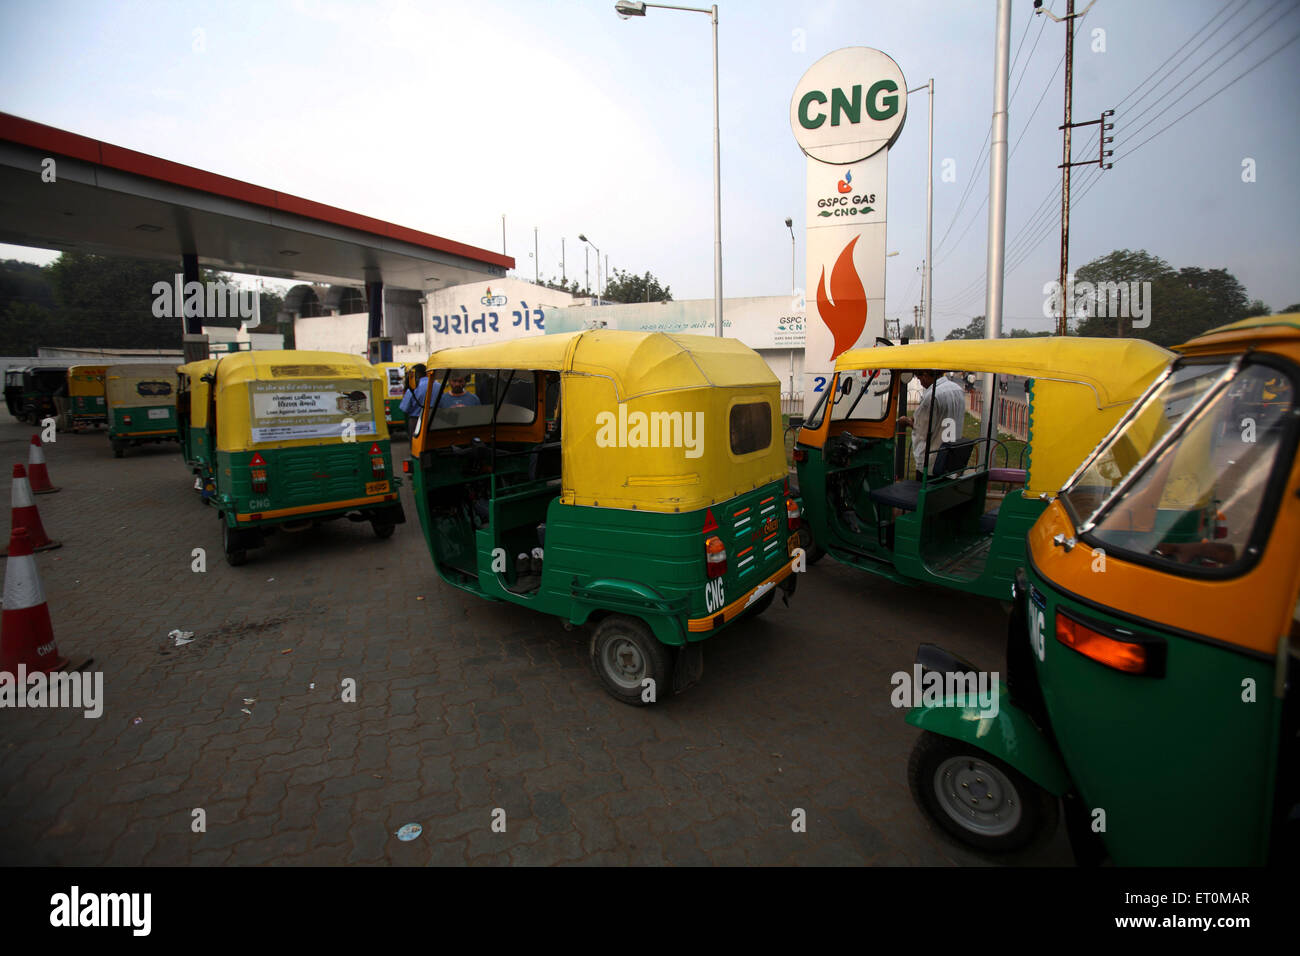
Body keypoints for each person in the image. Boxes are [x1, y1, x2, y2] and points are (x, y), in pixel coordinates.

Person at [898, 369, 965, 480]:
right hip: (952, 457)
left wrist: (907, 422)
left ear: (924, 375)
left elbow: (922, 431)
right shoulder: (957, 389)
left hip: (933, 462)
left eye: (919, 379)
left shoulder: (931, 395)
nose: (920, 382)